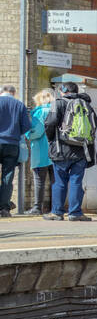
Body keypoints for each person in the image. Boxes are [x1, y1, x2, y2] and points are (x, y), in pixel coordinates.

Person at [44, 81, 97, 222]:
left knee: (60, 181)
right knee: (76, 181)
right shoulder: (86, 104)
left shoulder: (59, 103)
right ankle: (75, 213)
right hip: (81, 151)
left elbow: (49, 123)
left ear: (62, 90)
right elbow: (94, 125)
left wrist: (51, 139)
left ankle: (57, 212)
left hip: (61, 149)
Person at [0, 84, 32, 218]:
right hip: (12, 144)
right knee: (8, 176)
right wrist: (14, 132)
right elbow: (26, 126)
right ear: (13, 93)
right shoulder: (19, 105)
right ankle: (4, 208)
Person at [23, 89, 55, 215]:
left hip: (41, 151)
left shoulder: (40, 112)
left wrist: (27, 133)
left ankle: (37, 208)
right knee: (55, 180)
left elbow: (37, 131)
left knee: (39, 180)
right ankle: (56, 207)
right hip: (55, 151)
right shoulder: (55, 110)